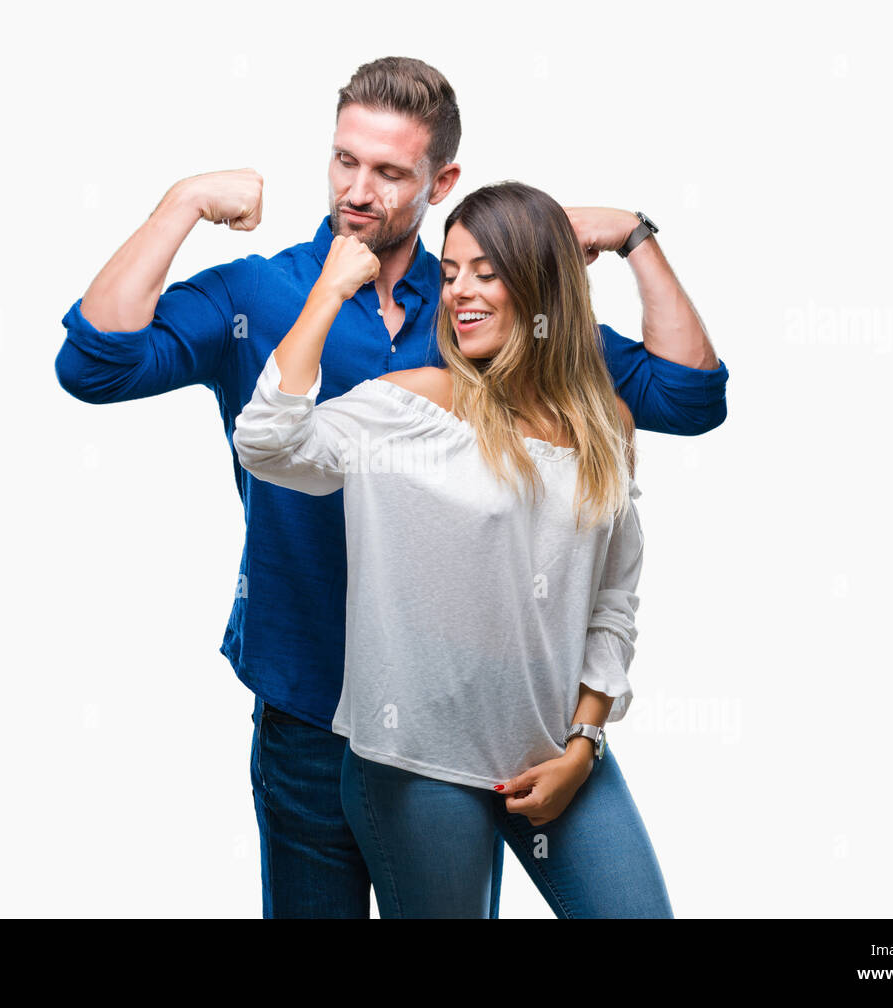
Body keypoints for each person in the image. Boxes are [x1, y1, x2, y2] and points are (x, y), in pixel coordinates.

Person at [55, 57, 729, 918]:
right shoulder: (263, 294)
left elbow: (688, 397)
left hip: (493, 698)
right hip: (308, 688)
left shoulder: (483, 307)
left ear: (442, 180)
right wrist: (182, 202)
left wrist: (633, 234)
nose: (358, 189)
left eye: (389, 172)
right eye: (345, 161)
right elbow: (95, 364)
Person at [232, 181, 672, 918]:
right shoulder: (412, 403)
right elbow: (268, 443)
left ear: (541, 286)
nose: (459, 292)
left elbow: (612, 601)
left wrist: (584, 741)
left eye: (486, 273)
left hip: (553, 750)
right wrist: (329, 294)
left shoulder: (607, 423)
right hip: (416, 761)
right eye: (450, 272)